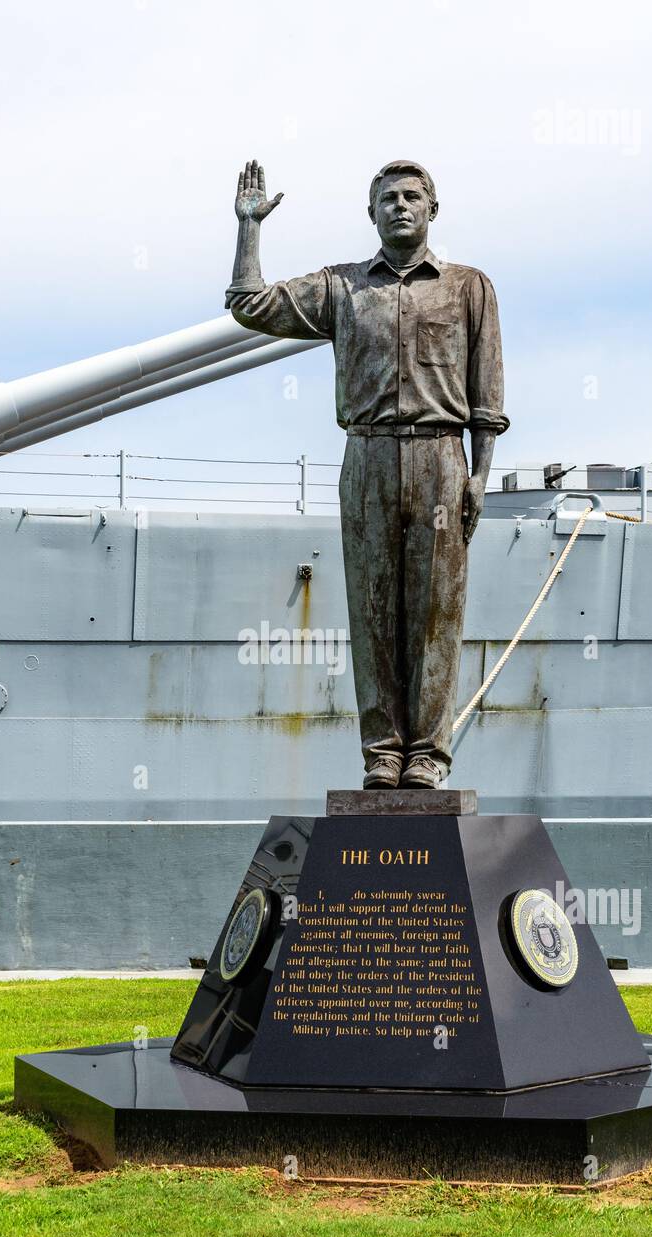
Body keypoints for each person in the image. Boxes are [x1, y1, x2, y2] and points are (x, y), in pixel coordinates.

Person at [227, 159, 509, 789]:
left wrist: (479, 477)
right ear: (371, 212)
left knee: (437, 613)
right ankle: (383, 751)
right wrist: (249, 229)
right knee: (372, 609)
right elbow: (249, 305)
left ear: (433, 209)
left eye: (412, 197)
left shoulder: (469, 287)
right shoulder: (342, 287)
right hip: (368, 456)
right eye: (387, 198)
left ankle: (428, 756)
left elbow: (486, 399)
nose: (400, 206)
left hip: (442, 458)